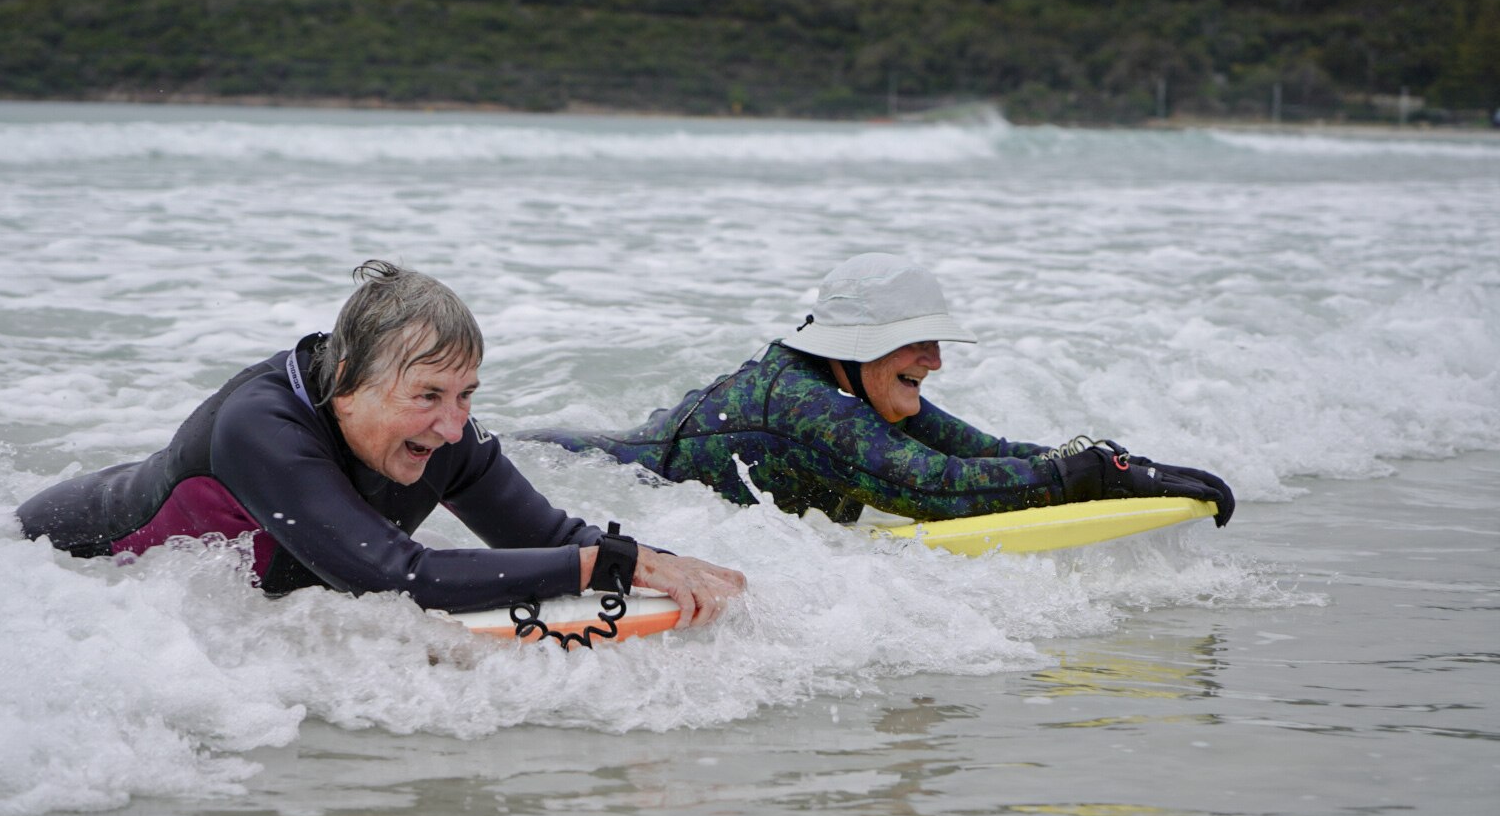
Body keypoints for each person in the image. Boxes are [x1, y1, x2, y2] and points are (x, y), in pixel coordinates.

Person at [18, 260, 745, 627]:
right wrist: (598, 568)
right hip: (60, 559)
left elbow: (551, 538)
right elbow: (396, 576)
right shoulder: (259, 430)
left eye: (466, 395)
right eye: (427, 395)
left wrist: (663, 566)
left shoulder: (445, 433)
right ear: (346, 382)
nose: (452, 426)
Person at [522, 252, 1234, 527]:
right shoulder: (804, 406)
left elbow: (977, 451)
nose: (935, 360)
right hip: (559, 467)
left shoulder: (856, 388)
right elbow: (933, 490)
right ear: (856, 343)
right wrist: (1082, 480)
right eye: (916, 340)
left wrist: (1113, 463)